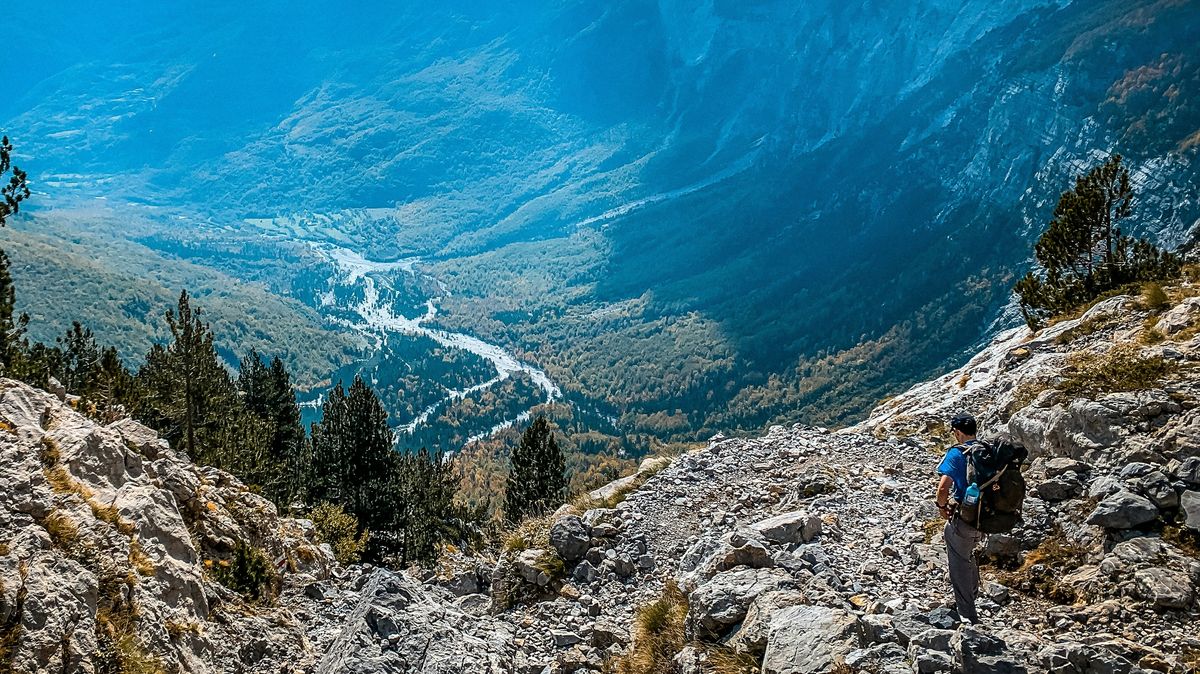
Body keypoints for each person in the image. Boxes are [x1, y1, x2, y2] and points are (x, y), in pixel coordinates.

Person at [936, 412, 985, 624]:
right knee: (968, 553)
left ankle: (967, 614)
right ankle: (973, 592)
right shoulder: (986, 451)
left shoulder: (956, 454)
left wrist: (941, 506)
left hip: (964, 518)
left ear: (957, 432)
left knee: (958, 563)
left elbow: (943, 488)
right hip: (986, 517)